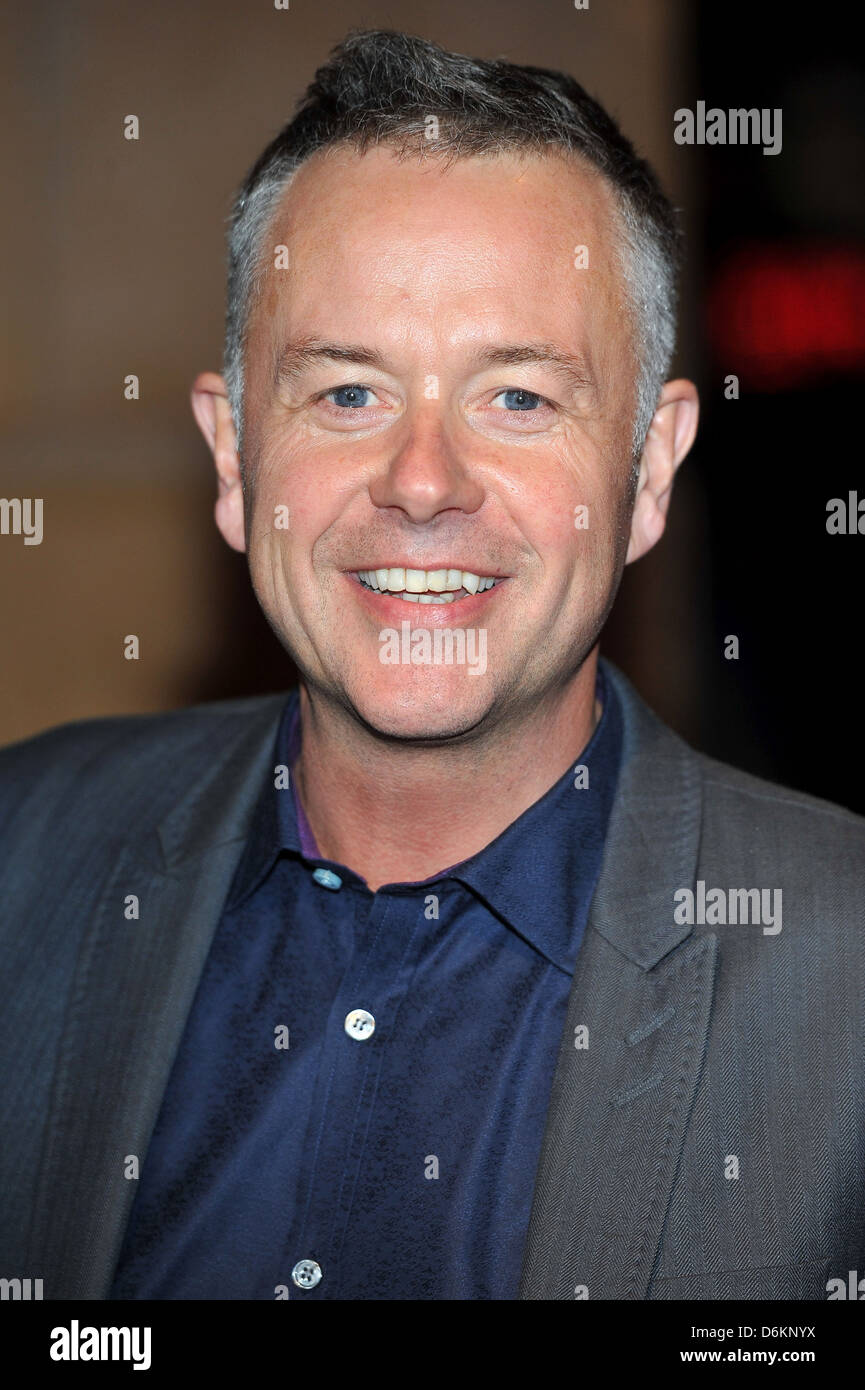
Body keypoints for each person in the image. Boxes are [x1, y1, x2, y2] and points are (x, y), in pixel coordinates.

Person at [1, 29, 863, 1303]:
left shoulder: (840, 980)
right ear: (234, 459)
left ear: (650, 472)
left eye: (516, 397)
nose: (421, 482)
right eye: (347, 392)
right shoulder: (25, 849)